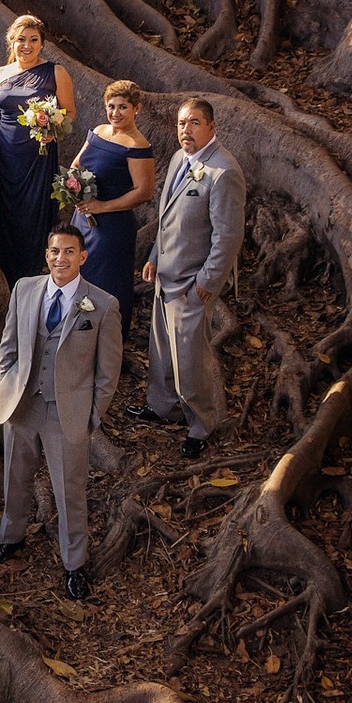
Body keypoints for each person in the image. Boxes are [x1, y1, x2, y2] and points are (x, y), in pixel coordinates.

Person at [0, 224, 121, 600]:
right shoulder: (25, 290)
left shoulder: (102, 305)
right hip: (24, 404)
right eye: (55, 251)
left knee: (69, 490)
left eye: (69, 252)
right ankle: (10, 539)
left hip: (67, 413)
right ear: (47, 255)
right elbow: (7, 347)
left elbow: (108, 373)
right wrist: (9, 385)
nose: (61, 258)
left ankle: (74, 563)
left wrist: (92, 415)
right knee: (15, 477)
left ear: (82, 257)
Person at [129, 98, 246, 458]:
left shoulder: (223, 172)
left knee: (189, 360)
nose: (186, 130)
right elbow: (166, 218)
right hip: (166, 275)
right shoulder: (181, 159)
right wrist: (153, 256)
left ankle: (201, 424)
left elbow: (227, 237)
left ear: (211, 127)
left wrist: (207, 283)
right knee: (161, 350)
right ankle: (164, 408)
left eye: (194, 123)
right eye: (182, 124)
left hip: (193, 283)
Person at [0, 14, 76, 284]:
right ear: (11, 42)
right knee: (4, 217)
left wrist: (51, 127)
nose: (27, 46)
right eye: (21, 40)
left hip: (37, 160)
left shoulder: (56, 72)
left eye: (33, 40)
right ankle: (3, 281)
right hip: (4, 158)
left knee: (32, 217)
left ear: (42, 43)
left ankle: (30, 279)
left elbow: (70, 114)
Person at [71, 79, 155, 349]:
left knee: (104, 282)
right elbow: (76, 164)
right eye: (111, 106)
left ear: (136, 109)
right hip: (82, 219)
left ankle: (106, 346)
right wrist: (73, 189)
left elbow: (144, 191)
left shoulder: (137, 145)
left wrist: (102, 207)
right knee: (76, 275)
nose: (116, 113)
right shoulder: (98, 131)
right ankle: (76, 340)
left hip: (111, 228)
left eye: (123, 107)